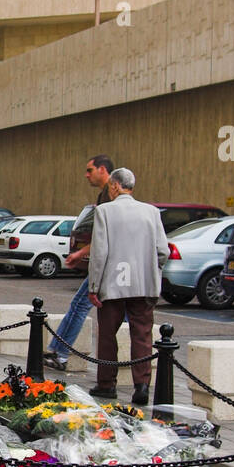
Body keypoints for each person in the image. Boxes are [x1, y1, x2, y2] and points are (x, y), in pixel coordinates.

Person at [87, 167, 168, 405]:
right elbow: (162, 251)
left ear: (114, 186)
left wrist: (94, 285)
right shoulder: (151, 212)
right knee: (142, 334)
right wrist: (153, 270)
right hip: (143, 283)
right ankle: (141, 385)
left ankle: (106, 384)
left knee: (107, 335)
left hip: (113, 283)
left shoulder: (104, 211)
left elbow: (100, 252)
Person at [42, 155, 115, 371]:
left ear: (103, 169)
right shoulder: (104, 196)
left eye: (89, 170)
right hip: (109, 263)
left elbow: (105, 235)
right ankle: (59, 351)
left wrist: (81, 252)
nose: (86, 175)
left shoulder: (110, 195)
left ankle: (60, 353)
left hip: (106, 264)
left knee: (80, 305)